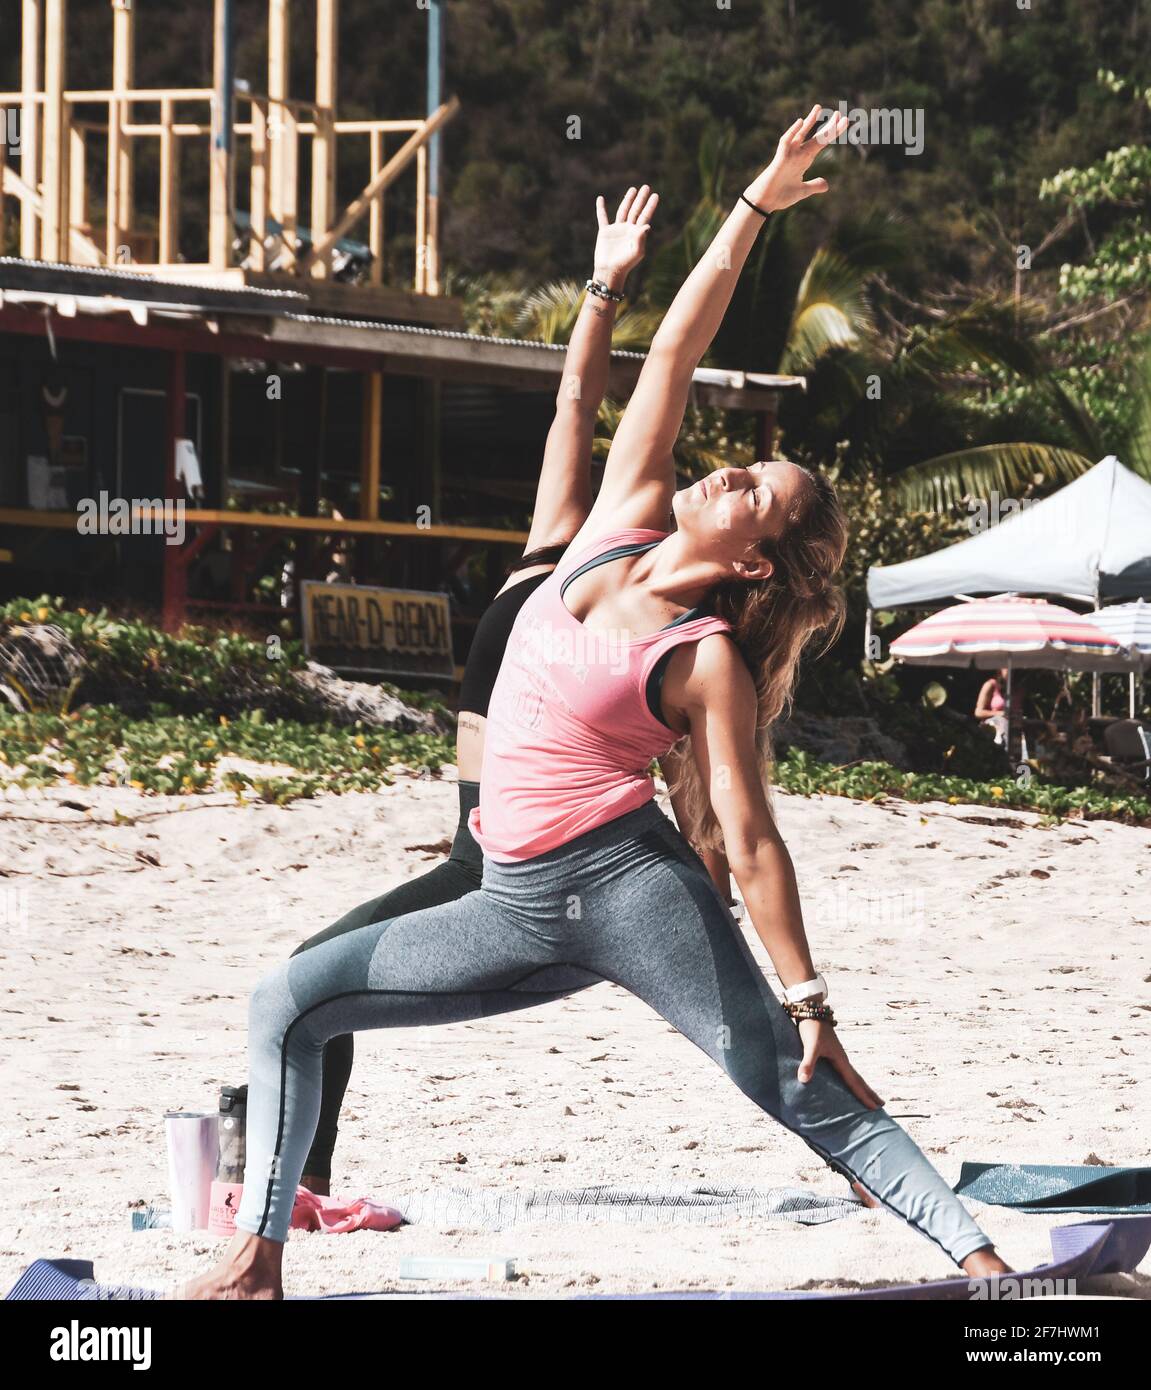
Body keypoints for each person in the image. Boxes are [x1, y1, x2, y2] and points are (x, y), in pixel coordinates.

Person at [183, 105, 1011, 1298]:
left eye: (755, 492)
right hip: (506, 898)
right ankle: (254, 1265)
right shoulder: (616, 523)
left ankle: (993, 1273)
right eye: (741, 463)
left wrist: (810, 997)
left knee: (789, 1081)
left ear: (753, 563)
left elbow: (750, 829)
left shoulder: (702, 657)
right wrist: (750, 209)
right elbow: (665, 358)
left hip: (625, 892)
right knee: (289, 1003)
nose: (730, 468)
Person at [286, 183, 731, 1196]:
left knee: (321, 975)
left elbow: (698, 790)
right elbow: (576, 401)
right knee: (320, 980)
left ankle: (297, 1187)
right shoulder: (554, 547)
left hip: (516, 866)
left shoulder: (649, 634)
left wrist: (709, 874)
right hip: (471, 848)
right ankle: (297, 1182)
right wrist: (603, 286)